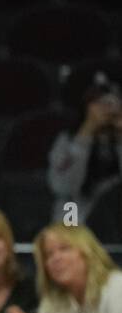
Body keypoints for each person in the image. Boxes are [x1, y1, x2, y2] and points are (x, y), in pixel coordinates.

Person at [46, 79, 122, 217]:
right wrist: (87, 130)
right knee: (69, 208)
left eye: (113, 103)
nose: (107, 108)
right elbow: (63, 187)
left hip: (114, 221)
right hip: (77, 217)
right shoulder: (67, 140)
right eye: (99, 103)